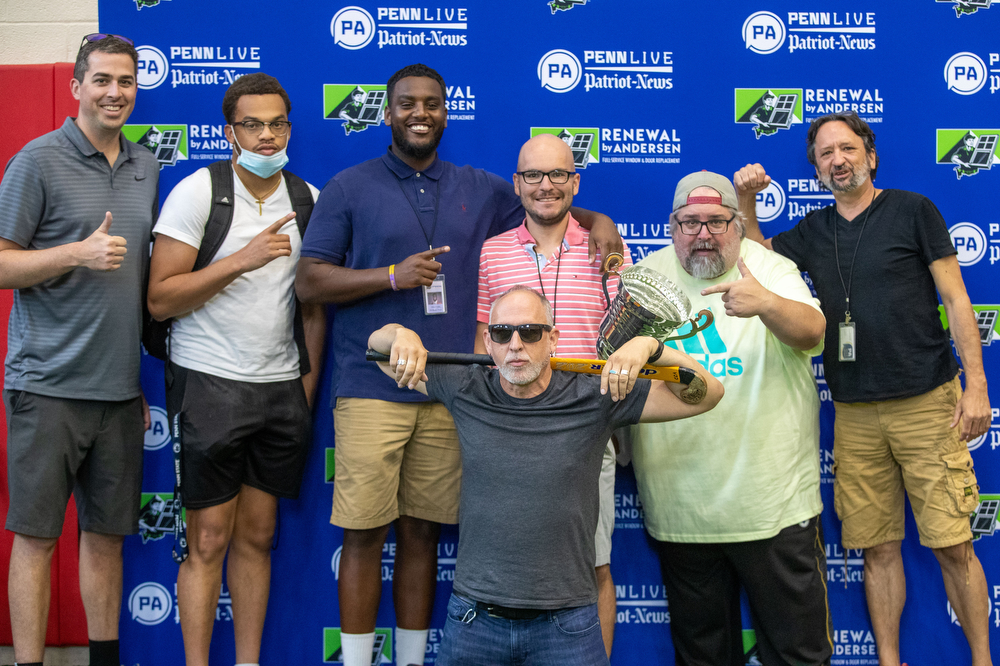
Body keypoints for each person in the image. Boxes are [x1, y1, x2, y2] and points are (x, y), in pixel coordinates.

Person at [295, 63, 622, 666]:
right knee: (364, 533)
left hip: (455, 393)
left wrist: (600, 223)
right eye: (407, 104)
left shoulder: (484, 186)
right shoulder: (349, 185)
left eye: (433, 104)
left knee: (423, 531)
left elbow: (548, 207)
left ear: (447, 111)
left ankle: (416, 659)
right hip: (373, 386)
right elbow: (309, 279)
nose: (420, 113)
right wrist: (391, 276)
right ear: (386, 111)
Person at [735, 111, 992, 666]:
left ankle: (982, 659)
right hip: (853, 413)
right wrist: (746, 202)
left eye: (847, 148)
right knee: (877, 549)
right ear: (817, 170)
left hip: (929, 404)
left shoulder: (914, 210)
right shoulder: (812, 229)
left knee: (954, 546)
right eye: (825, 154)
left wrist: (977, 387)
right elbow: (755, 260)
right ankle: (889, 662)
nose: (838, 160)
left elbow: (957, 300)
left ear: (870, 156)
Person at [369, 286, 724, 666]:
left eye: (531, 332)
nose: (516, 345)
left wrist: (650, 347)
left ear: (553, 339)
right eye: (503, 333)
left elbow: (706, 394)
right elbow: (379, 349)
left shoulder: (598, 394)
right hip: (474, 619)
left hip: (567, 623)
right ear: (488, 342)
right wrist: (399, 334)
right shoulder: (465, 387)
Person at [146, 73, 325, 666]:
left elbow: (314, 306)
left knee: (258, 537)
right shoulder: (198, 192)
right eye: (253, 124)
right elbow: (161, 298)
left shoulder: (308, 199)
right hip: (208, 382)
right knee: (208, 540)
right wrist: (242, 259)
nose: (267, 136)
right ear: (230, 132)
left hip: (279, 390)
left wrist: (304, 388)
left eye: (278, 123)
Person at [630, 170, 831, 665]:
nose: (703, 234)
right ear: (672, 226)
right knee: (703, 657)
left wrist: (765, 302)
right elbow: (615, 375)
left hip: (772, 507)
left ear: (738, 224)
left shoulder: (771, 268)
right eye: (690, 222)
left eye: (717, 222)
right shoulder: (643, 279)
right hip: (683, 512)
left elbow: (813, 332)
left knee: (798, 655)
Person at [0, 34, 157, 666]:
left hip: (118, 393)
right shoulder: (36, 161)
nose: (115, 93)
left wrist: (138, 381)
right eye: (102, 81)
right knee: (35, 540)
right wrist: (76, 254)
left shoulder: (147, 165)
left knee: (106, 540)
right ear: (77, 87)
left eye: (126, 81)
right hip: (47, 386)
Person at [475, 133, 631, 656]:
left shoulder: (607, 248)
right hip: (506, 431)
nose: (547, 186)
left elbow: (628, 337)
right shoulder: (494, 252)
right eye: (534, 176)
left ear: (575, 182)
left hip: (586, 429)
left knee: (595, 562)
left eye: (559, 175)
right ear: (517, 184)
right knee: (506, 565)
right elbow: (484, 342)